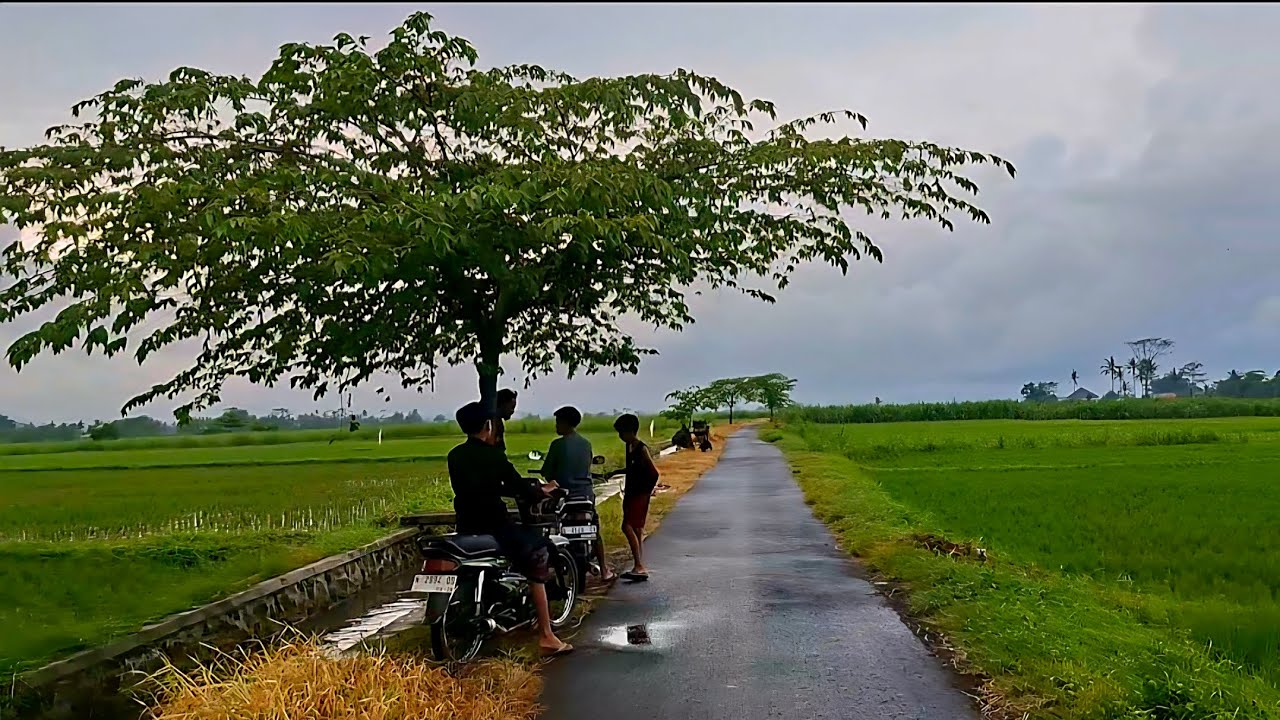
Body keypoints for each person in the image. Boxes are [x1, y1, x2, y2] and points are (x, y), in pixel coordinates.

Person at [447, 401, 572, 656]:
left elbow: (477, 486)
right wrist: (542, 489)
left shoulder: (455, 455)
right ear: (488, 426)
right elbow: (519, 487)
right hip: (495, 524)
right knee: (538, 555)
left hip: (466, 523)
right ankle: (547, 635)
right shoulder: (494, 456)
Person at [541, 406, 617, 584]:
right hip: (585, 495)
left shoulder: (557, 445)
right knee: (594, 529)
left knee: (552, 526)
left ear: (566, 423)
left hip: (564, 497)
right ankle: (604, 569)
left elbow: (547, 472)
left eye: (558, 422)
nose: (556, 425)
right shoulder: (586, 444)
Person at [614, 413, 660, 582]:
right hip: (631, 493)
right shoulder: (629, 446)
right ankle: (638, 565)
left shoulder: (641, 448)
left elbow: (654, 473)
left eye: (622, 433)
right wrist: (615, 472)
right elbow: (632, 470)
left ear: (631, 431)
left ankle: (639, 566)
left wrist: (646, 491)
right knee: (637, 529)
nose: (620, 436)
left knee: (627, 526)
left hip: (639, 494)